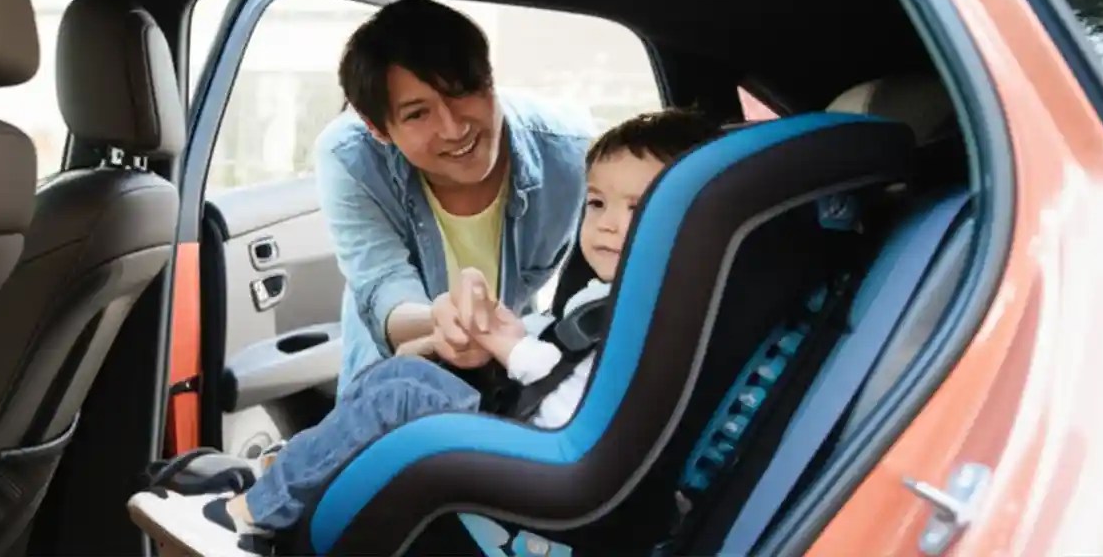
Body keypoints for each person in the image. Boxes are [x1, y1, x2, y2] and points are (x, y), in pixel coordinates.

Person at [126, 108, 722, 556]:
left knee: (402, 390)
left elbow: (581, 406)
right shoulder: (616, 296)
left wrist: (514, 351)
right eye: (596, 204)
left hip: (555, 457)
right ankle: (279, 476)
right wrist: (510, 332)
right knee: (401, 373)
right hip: (538, 437)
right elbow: (571, 361)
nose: (610, 226)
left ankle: (243, 519)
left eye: (639, 210)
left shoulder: (660, 315)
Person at [314, 0, 593, 390]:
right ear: (377, 127)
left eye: (462, 92)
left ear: (491, 80)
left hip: (508, 363)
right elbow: (381, 284)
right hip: (395, 370)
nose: (452, 128)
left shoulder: (570, 155)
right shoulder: (350, 158)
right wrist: (441, 322)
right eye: (417, 113)